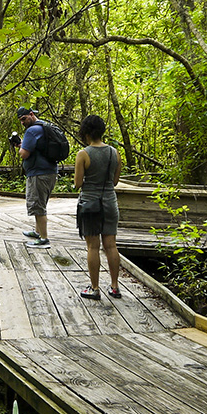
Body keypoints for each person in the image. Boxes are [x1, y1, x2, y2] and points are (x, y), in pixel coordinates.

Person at [73, 114, 122, 299]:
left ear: (86, 132)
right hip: (110, 202)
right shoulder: (114, 153)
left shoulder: (83, 154)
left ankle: (94, 288)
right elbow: (114, 181)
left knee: (93, 247)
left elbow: (78, 183)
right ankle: (115, 287)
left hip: (90, 204)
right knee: (111, 245)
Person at [12, 106, 57, 248]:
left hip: (39, 174)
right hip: (49, 172)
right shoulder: (44, 127)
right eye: (20, 120)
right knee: (40, 203)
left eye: (24, 119)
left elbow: (24, 154)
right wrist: (22, 144)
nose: (22, 122)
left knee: (38, 206)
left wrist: (20, 148)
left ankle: (44, 239)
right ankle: (38, 232)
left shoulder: (32, 131)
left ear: (31, 114)